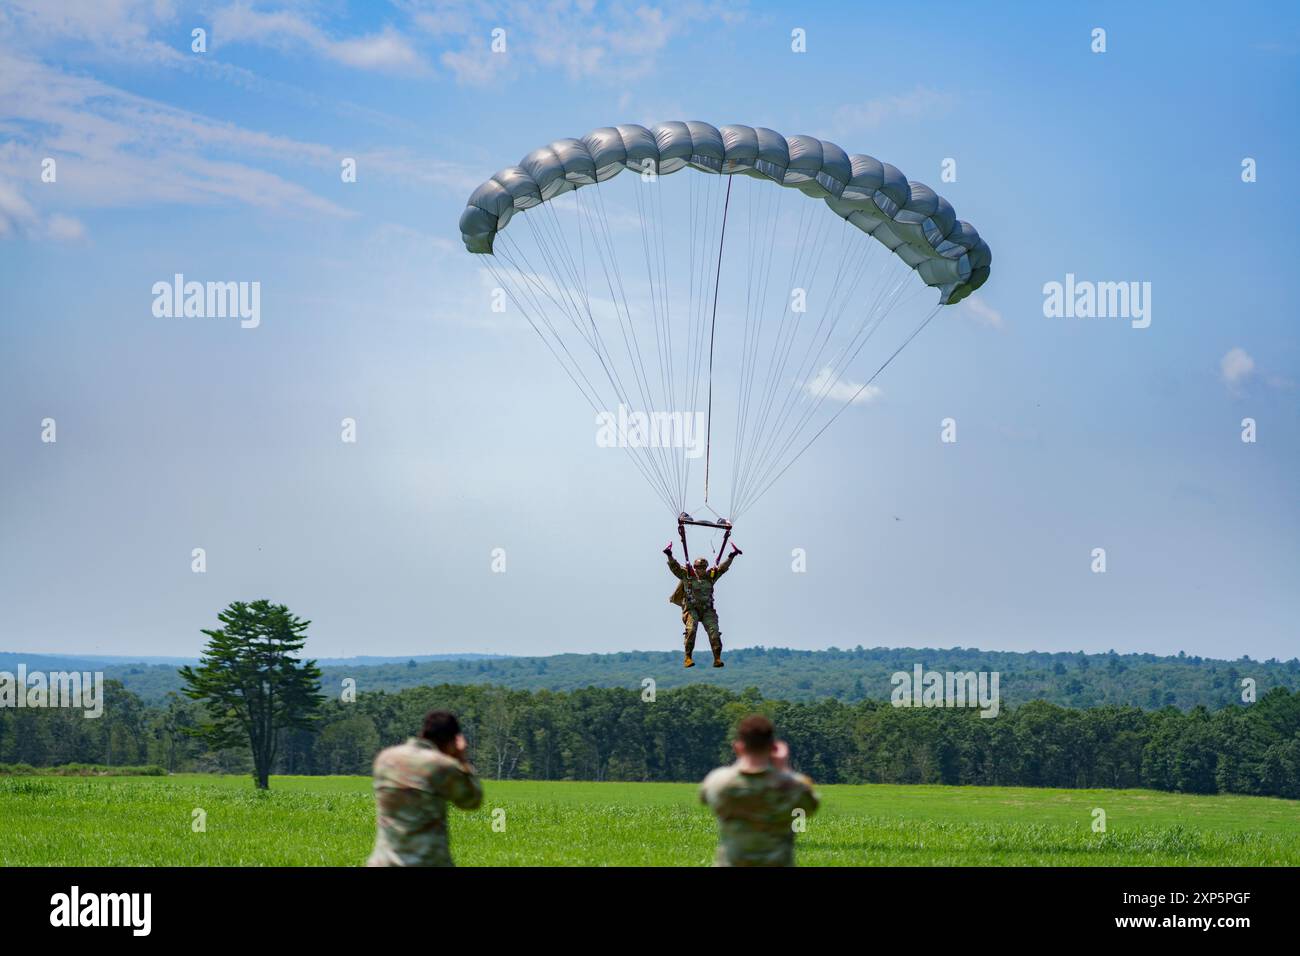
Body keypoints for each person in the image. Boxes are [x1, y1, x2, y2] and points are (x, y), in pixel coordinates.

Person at [699, 714, 820, 867]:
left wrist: (739, 764)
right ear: (773, 748)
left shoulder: (718, 782)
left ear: (738, 747)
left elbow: (703, 797)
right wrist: (784, 769)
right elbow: (811, 804)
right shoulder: (793, 787)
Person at [367, 709, 483, 867]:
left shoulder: (385, 758)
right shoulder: (443, 766)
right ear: (452, 741)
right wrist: (462, 759)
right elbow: (472, 801)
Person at [664, 539, 741, 668]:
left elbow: (722, 568)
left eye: (703, 568)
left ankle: (717, 658)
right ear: (694, 568)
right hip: (691, 609)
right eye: (698, 568)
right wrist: (669, 555)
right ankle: (688, 658)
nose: (700, 570)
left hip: (707, 610)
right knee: (691, 630)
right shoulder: (687, 575)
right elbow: (675, 567)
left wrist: (731, 556)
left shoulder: (710, 577)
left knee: (714, 632)